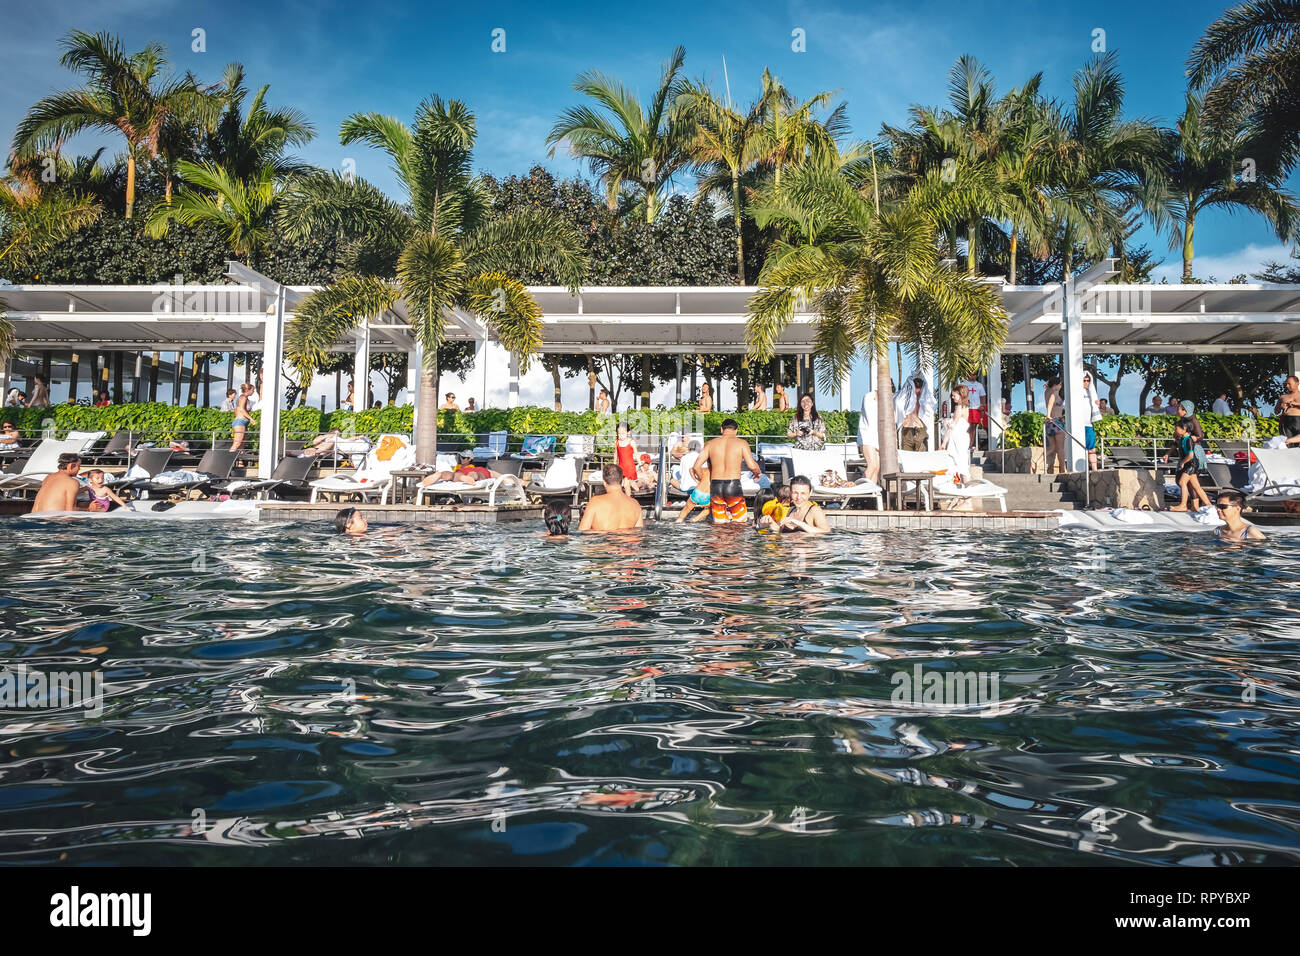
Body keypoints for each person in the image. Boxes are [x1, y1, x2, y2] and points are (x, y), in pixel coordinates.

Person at [694, 418, 761, 524]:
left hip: (716, 486)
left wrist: (703, 480)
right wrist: (757, 472)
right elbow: (752, 465)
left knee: (719, 524)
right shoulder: (742, 443)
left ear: (722, 429)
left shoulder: (710, 444)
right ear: (736, 430)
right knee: (740, 523)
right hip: (733, 485)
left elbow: (696, 467)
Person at [579, 463, 644, 532]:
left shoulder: (595, 502)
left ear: (604, 482)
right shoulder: (635, 504)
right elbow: (639, 533)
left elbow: (582, 532)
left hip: (604, 541)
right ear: (621, 481)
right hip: (627, 541)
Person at [1169, 418, 1211, 512]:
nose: (1175, 430)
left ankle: (1183, 505)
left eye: (1177, 428)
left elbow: (1191, 455)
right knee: (1196, 486)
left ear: (1184, 429)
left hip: (1191, 464)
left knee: (1182, 482)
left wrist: (1183, 462)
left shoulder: (1188, 440)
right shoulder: (1183, 439)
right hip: (1190, 464)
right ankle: (1209, 505)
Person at [894, 375, 935, 452]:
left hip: (920, 430)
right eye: (916, 387)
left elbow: (932, 407)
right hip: (907, 430)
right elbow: (897, 403)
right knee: (907, 459)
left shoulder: (925, 399)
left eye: (919, 388)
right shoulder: (903, 399)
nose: (917, 391)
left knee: (922, 459)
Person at [941, 385, 971, 483]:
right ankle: (963, 493)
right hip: (962, 437)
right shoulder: (965, 407)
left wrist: (944, 443)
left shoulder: (959, 408)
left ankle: (962, 491)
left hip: (957, 438)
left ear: (961, 395)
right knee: (961, 464)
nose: (952, 397)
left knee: (956, 463)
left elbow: (952, 427)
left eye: (954, 395)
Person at [676, 456, 711, 523]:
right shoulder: (717, 473)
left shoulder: (705, 470)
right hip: (708, 495)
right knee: (710, 508)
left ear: (707, 463)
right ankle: (695, 519)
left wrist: (696, 479)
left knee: (686, 509)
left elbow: (691, 469)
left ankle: (679, 520)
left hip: (698, 493)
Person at [857, 389, 880, 484]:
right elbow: (870, 416)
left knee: (877, 467)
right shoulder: (869, 396)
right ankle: (858, 493)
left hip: (877, 437)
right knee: (872, 466)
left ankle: (872, 493)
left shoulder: (887, 400)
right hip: (867, 435)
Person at [1044, 379, 1066, 474]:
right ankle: (1063, 470)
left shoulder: (1046, 392)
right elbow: (1050, 404)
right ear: (1056, 384)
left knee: (1053, 448)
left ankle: (1038, 460)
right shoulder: (1054, 393)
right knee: (1060, 449)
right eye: (1060, 384)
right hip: (1057, 421)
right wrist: (1048, 415)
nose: (1061, 386)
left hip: (1050, 423)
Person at [1082, 372, 1103, 470]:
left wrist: (1097, 405)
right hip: (1078, 425)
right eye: (1084, 380)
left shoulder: (1091, 393)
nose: (1086, 382)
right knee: (1080, 448)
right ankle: (1082, 469)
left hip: (1089, 425)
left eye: (1088, 380)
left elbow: (1096, 406)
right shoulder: (1076, 392)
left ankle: (1094, 469)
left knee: (1092, 448)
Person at [1274, 375, 1300, 443]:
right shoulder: (1283, 397)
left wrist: (1296, 404)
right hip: (1286, 421)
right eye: (1286, 384)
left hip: (1298, 420)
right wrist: (1281, 406)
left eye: (1289, 384)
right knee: (1286, 443)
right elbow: (1276, 411)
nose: (1287, 386)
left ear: (1297, 383)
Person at [230, 383, 253, 456]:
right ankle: (226, 461)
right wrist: (251, 418)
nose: (253, 392)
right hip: (240, 421)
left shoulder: (245, 398)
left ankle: (240, 462)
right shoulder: (243, 397)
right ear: (248, 390)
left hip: (243, 422)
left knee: (242, 445)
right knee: (237, 443)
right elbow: (241, 409)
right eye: (252, 390)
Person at [962, 376, 985, 448]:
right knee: (966, 426)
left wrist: (982, 406)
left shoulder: (979, 385)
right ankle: (965, 443)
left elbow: (982, 396)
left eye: (974, 374)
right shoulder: (964, 384)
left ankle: (971, 444)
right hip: (967, 408)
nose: (973, 376)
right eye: (971, 373)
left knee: (973, 427)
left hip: (976, 408)